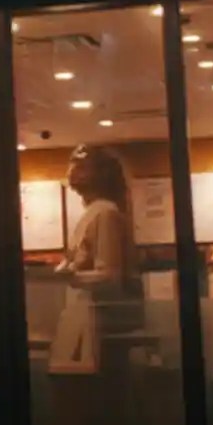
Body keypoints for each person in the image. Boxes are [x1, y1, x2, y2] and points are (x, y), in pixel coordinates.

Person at [50, 143, 140, 372]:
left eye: (81, 165)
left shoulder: (105, 213)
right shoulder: (94, 213)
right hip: (84, 318)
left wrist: (70, 276)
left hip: (98, 323)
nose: (73, 171)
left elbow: (109, 275)